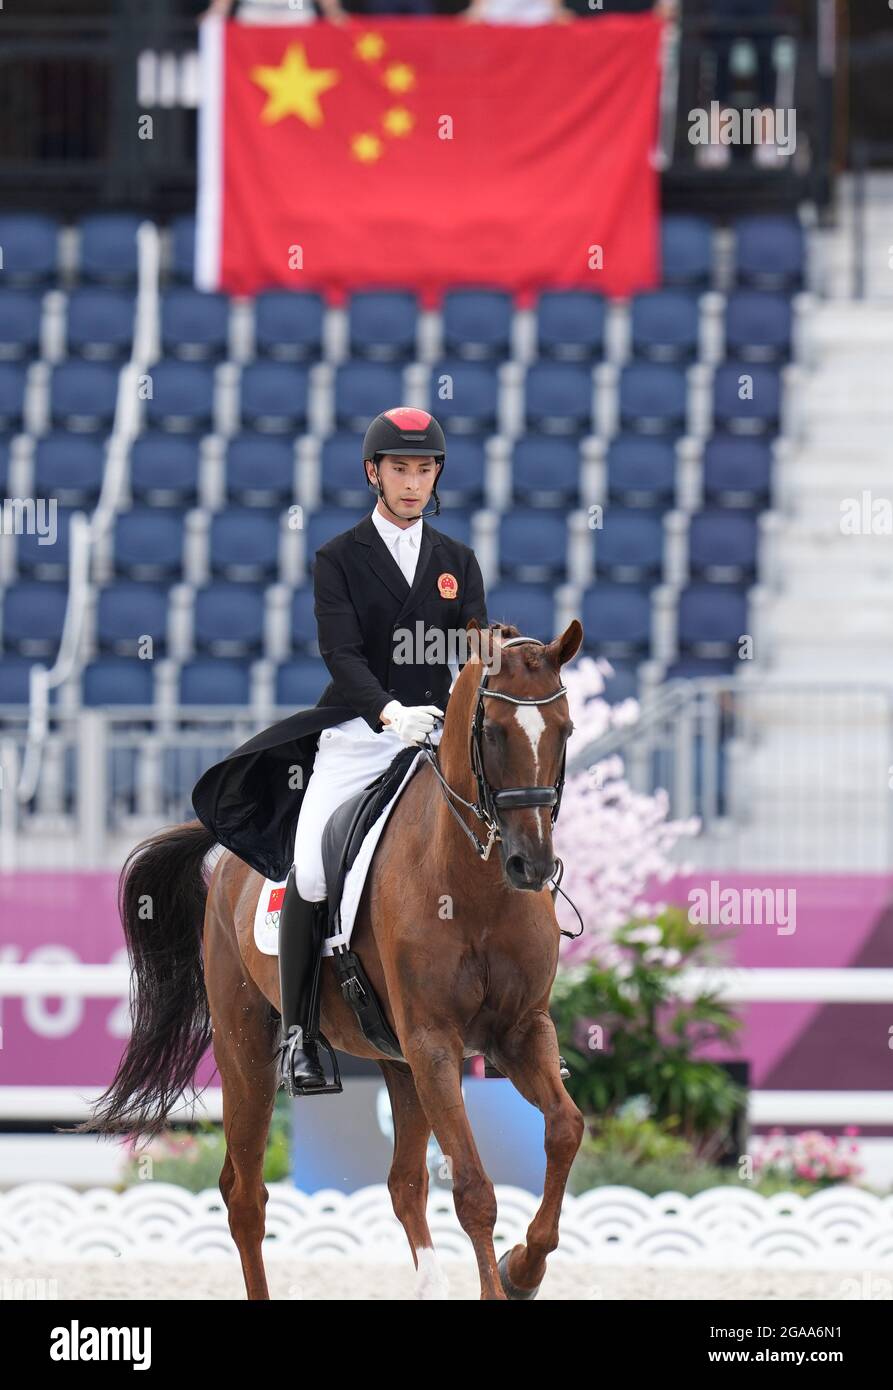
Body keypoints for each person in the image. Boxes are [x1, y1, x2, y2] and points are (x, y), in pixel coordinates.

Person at [192, 408, 489, 1096]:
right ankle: (301, 1033)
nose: (413, 483)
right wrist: (387, 713)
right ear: (373, 474)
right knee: (311, 868)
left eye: (424, 470)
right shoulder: (339, 559)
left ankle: (505, 1018)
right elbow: (341, 653)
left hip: (437, 735)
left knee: (493, 844)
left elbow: (473, 648)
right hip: (360, 736)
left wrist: (493, 666)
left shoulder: (456, 562)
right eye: (399, 470)